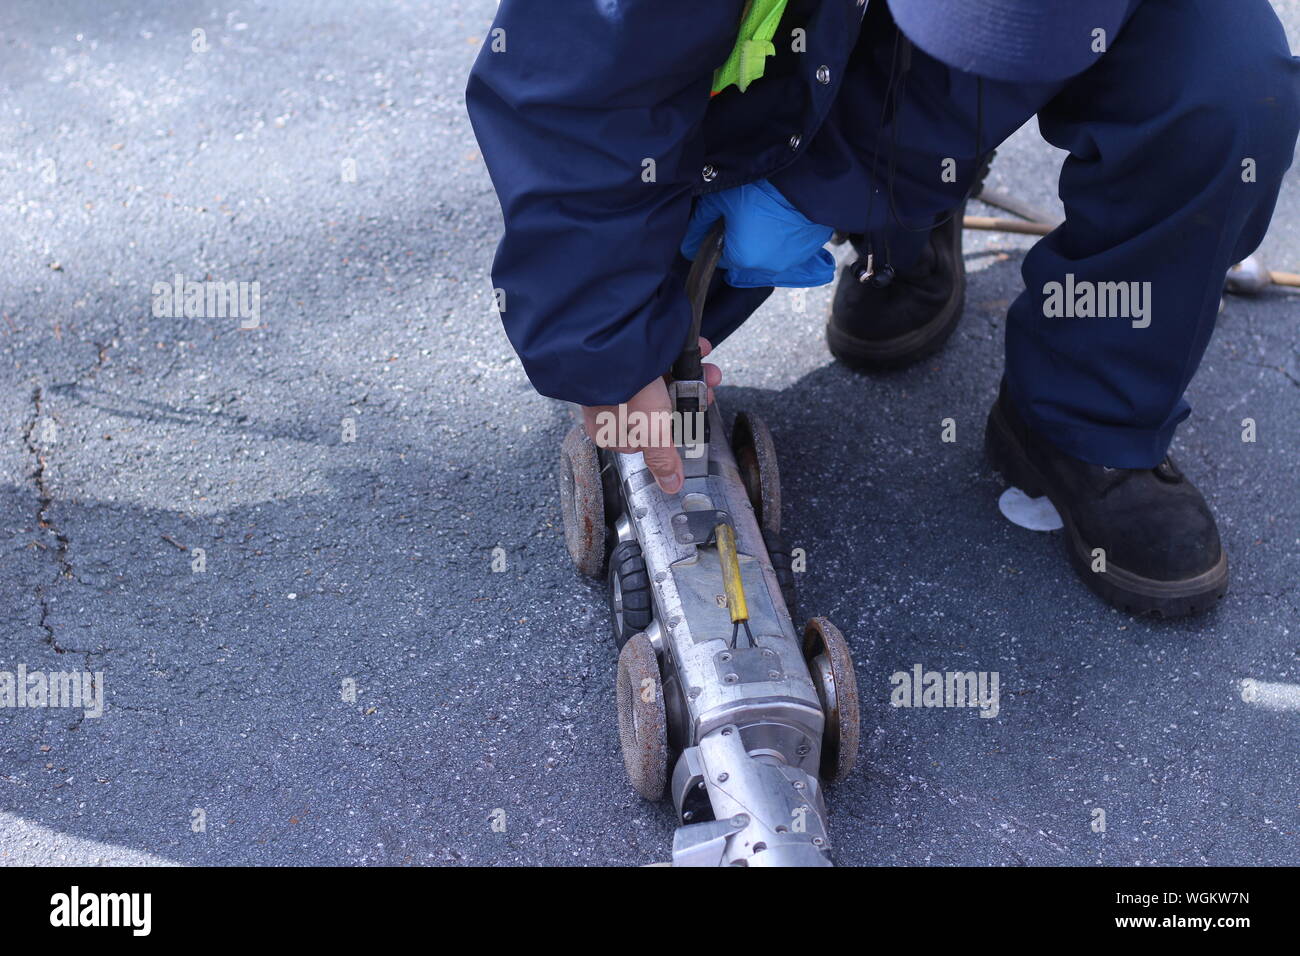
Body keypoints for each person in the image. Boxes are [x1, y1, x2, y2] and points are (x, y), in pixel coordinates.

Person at [466, 0, 1300, 617]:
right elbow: (577, 82)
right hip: (813, 39)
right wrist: (602, 342)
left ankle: (1087, 415)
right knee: (651, 287)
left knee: (1227, 90)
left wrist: (862, 179)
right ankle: (900, 230)